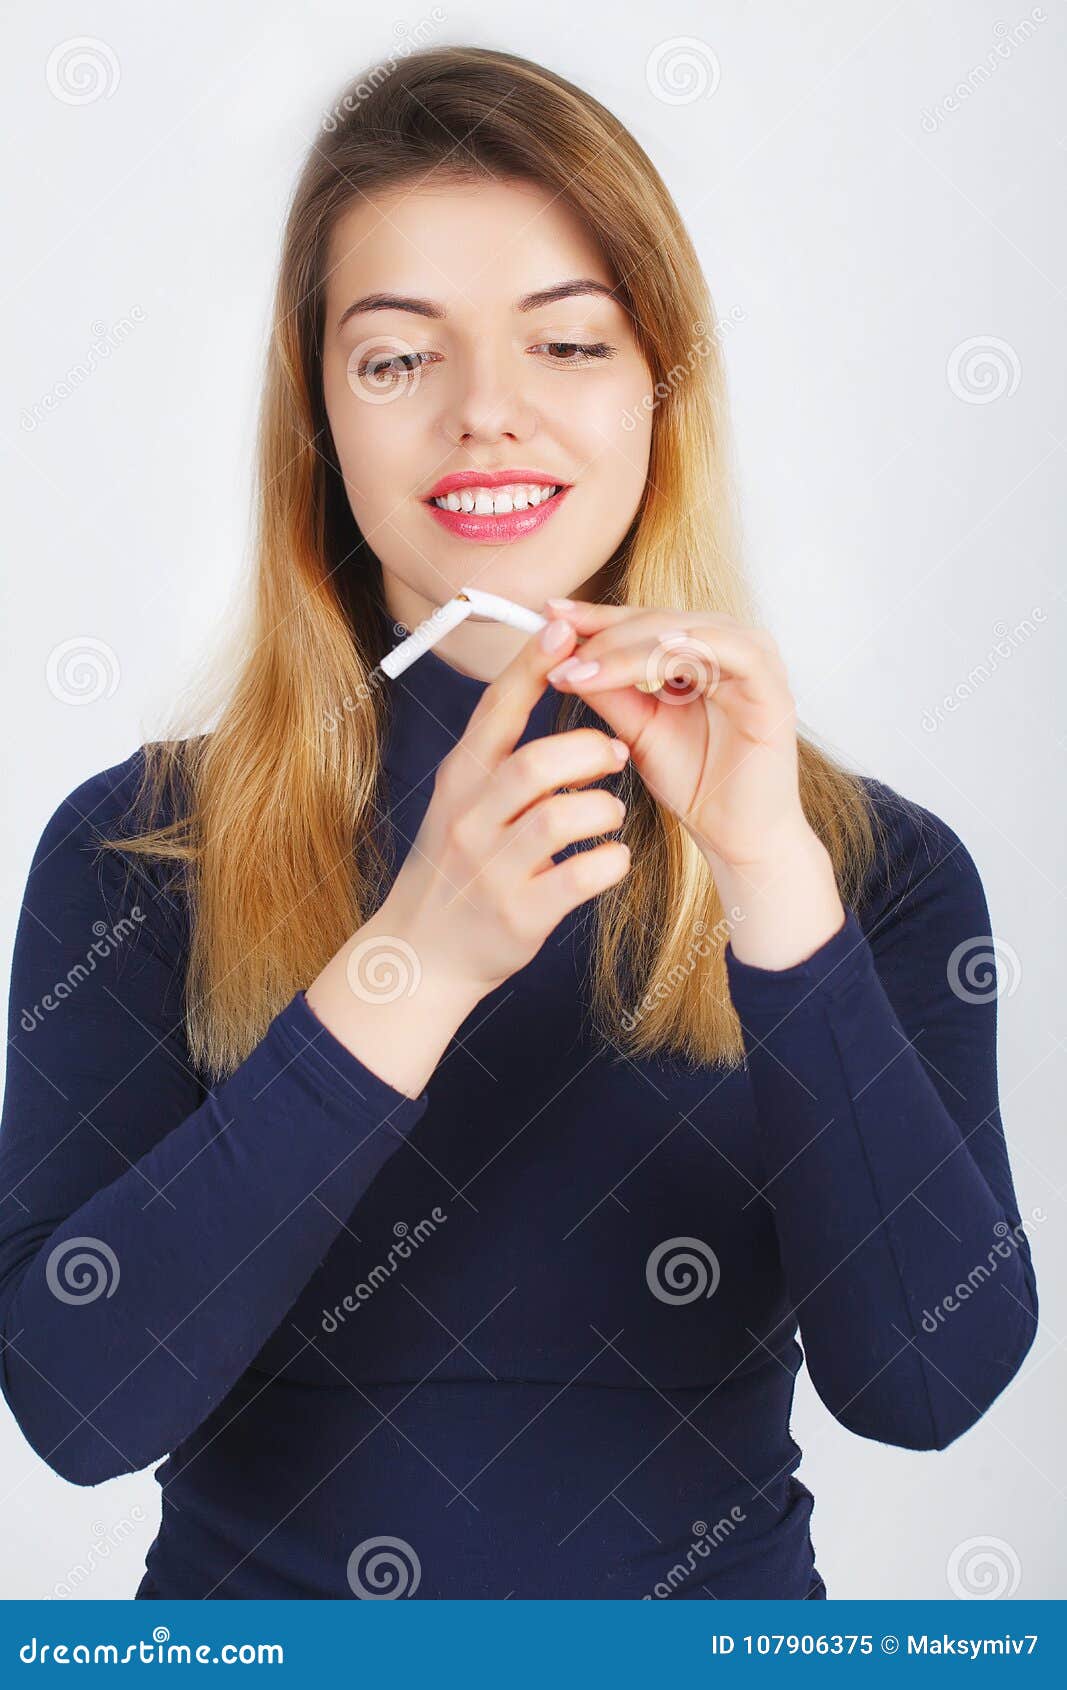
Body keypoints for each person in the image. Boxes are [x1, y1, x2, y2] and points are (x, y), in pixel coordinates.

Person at [0, 46, 1037, 1601]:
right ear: (320, 415)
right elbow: (77, 1403)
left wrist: (771, 884)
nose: (489, 415)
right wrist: (408, 965)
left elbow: (930, 1388)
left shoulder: (868, 871)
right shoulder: (141, 850)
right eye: (399, 358)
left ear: (659, 384)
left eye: (566, 342)